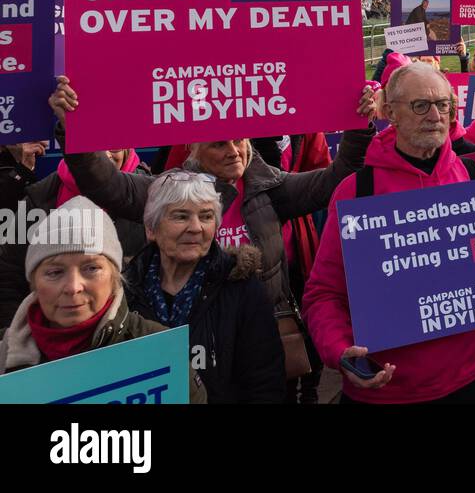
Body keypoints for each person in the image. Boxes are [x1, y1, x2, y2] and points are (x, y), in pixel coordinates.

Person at [304, 61, 475, 404]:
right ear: (390, 111)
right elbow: (323, 294)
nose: (435, 115)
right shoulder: (356, 191)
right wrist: (340, 350)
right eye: (421, 105)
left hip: (470, 381)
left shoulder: (474, 175)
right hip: (387, 390)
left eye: (443, 104)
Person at [48, 75, 379, 317]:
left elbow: (339, 177)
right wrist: (74, 127)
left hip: (265, 330)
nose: (234, 152)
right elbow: (105, 184)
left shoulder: (270, 186)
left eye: (240, 141)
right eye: (219, 144)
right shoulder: (168, 191)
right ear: (194, 150)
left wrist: (360, 124)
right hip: (195, 332)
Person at [0, 196, 205, 401]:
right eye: (54, 272)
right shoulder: (4, 356)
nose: (73, 287)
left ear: (114, 277)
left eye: (91, 268)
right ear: (34, 282)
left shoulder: (158, 349)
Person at [126, 173, 285, 402]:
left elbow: (265, 383)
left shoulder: (241, 288)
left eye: (206, 216)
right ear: (151, 229)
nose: (196, 227)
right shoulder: (126, 291)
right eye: (181, 216)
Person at [0, 145, 152, 328]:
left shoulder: (152, 198)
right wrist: (21, 337)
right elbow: (10, 277)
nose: (103, 155)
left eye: (113, 146)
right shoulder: (40, 199)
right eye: (92, 147)